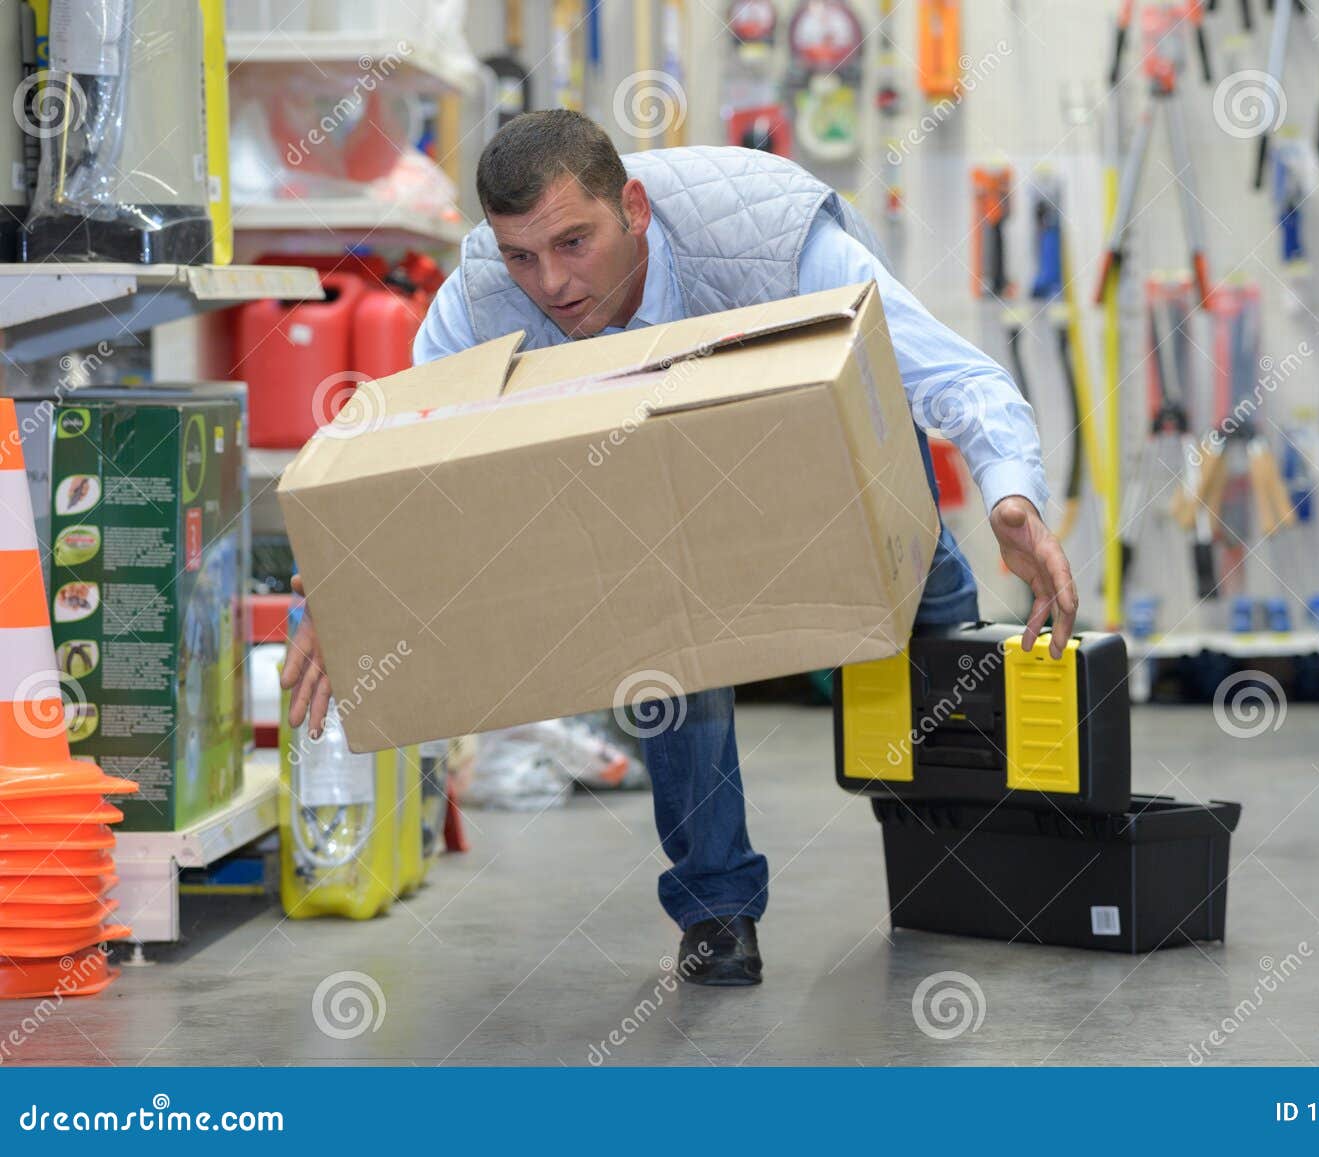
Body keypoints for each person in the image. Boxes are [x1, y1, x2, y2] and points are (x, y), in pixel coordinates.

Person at [282, 109, 1077, 987]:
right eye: (522, 255)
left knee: (926, 611)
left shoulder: (765, 232)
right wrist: (335, 591)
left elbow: (951, 376)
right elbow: (403, 463)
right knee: (664, 633)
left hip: (815, 461)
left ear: (634, 207)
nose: (550, 283)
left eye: (574, 242)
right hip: (651, 496)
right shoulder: (480, 291)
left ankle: (954, 846)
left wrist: (1011, 498)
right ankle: (716, 907)